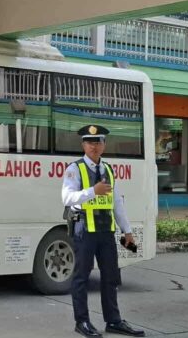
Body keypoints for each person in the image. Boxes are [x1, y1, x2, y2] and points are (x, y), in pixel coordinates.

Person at [62, 125, 145, 337]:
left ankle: (113, 321)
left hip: (105, 232)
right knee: (81, 277)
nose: (94, 146)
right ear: (83, 144)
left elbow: (116, 203)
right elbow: (67, 198)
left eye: (98, 142)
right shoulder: (75, 169)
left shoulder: (108, 169)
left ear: (104, 145)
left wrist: (127, 231)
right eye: (90, 142)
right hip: (85, 231)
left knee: (111, 277)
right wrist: (92, 191)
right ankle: (82, 322)